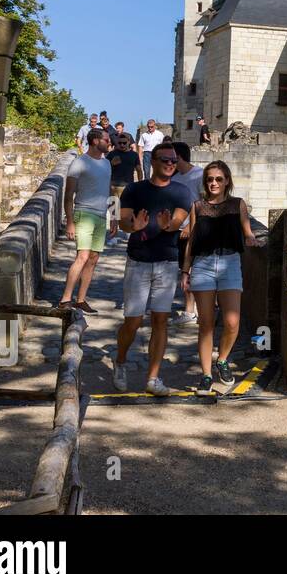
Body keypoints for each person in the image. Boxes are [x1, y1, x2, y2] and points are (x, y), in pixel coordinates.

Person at [113, 142, 191, 396]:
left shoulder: (181, 192)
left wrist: (169, 226)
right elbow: (124, 222)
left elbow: (176, 223)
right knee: (133, 322)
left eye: (173, 160)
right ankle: (121, 361)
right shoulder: (135, 190)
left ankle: (153, 378)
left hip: (167, 262)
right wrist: (133, 226)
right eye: (165, 160)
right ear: (153, 162)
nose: (170, 164)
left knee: (160, 320)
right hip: (138, 262)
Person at [183, 160, 257, 392]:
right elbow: (192, 240)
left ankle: (222, 359)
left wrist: (252, 239)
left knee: (232, 322)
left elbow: (247, 232)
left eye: (218, 179)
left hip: (230, 263)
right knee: (205, 323)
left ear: (227, 181)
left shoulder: (237, 205)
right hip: (203, 264)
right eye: (210, 179)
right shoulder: (197, 206)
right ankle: (206, 375)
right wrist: (185, 270)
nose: (214, 183)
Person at [58, 126, 110, 313]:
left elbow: (109, 192)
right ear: (95, 141)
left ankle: (81, 299)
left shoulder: (106, 164)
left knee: (94, 259)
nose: (109, 142)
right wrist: (70, 221)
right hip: (84, 214)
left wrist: (114, 217)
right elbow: (68, 195)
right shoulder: (79, 163)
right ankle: (65, 299)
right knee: (83, 256)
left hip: (101, 216)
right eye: (106, 139)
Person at [169, 141, 203, 325]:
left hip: (195, 231)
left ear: (179, 157)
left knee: (195, 270)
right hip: (178, 231)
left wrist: (191, 226)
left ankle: (197, 311)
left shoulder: (199, 175)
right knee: (185, 270)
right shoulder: (174, 178)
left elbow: (205, 204)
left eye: (171, 158)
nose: (169, 162)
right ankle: (190, 311)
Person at [105, 132, 143, 243]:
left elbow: (139, 170)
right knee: (113, 213)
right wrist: (111, 164)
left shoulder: (134, 155)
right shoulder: (112, 154)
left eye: (124, 143)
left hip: (128, 187)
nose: (121, 145)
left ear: (128, 143)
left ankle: (128, 232)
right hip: (113, 186)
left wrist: (140, 184)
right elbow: (105, 170)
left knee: (127, 212)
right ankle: (113, 236)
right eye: (119, 143)